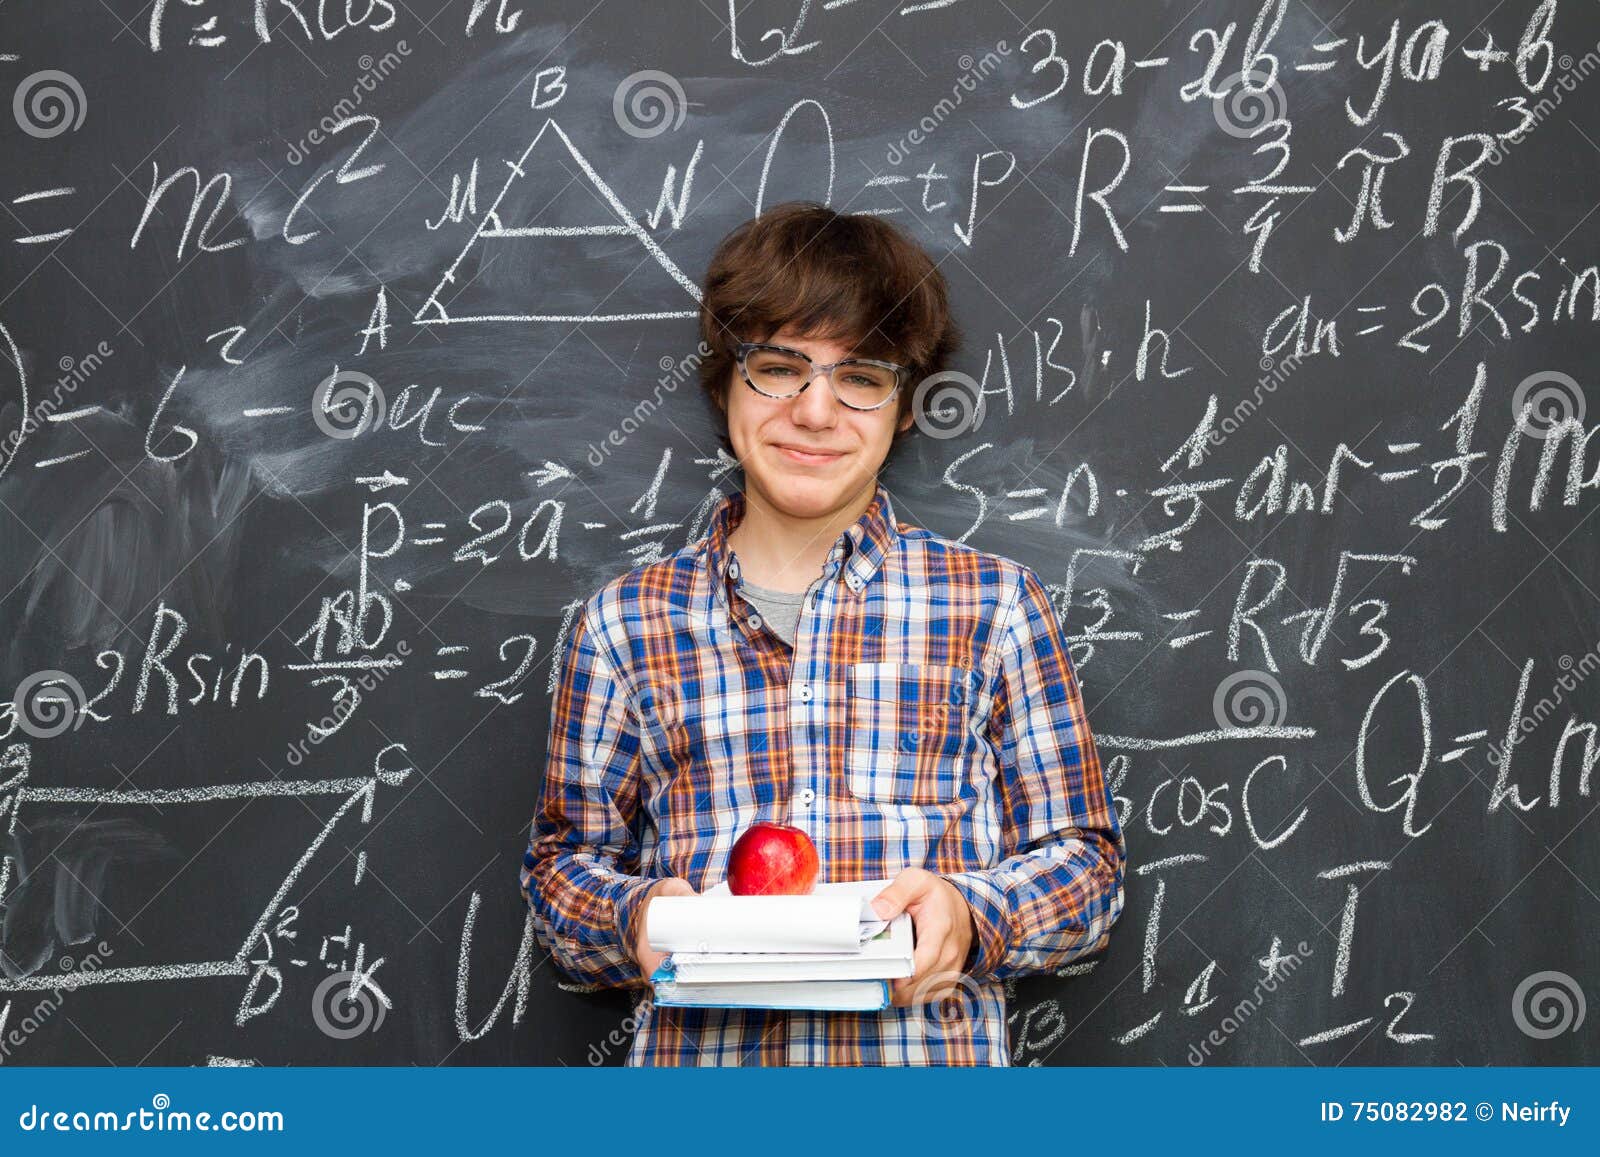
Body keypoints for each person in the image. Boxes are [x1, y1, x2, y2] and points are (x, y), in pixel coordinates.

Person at [520, 201, 1126, 1066]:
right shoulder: (622, 625)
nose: (815, 412)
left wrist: (972, 916)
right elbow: (562, 868)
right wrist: (633, 918)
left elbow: (1087, 867)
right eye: (778, 368)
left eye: (862, 377)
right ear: (725, 382)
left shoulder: (996, 608)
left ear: (903, 406)